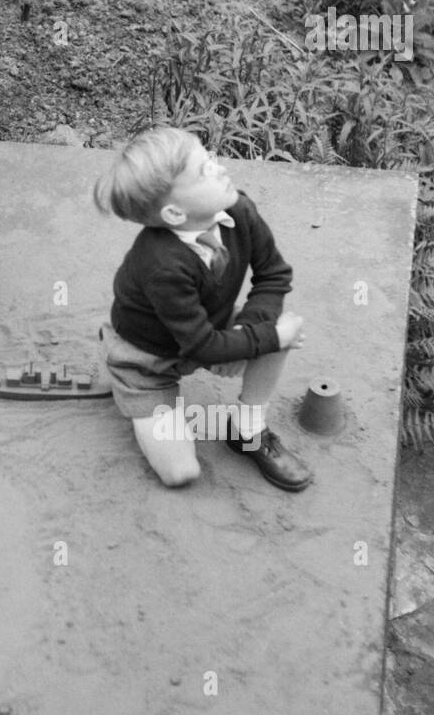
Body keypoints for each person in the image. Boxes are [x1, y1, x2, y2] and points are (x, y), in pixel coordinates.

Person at [93, 126, 313, 491]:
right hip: (147, 358)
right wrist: (257, 339)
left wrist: (249, 332)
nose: (220, 167)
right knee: (180, 473)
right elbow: (201, 346)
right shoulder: (162, 265)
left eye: (209, 156)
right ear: (175, 213)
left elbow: (274, 274)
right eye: (204, 171)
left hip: (204, 326)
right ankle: (133, 393)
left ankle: (247, 429)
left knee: (280, 334)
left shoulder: (238, 210)